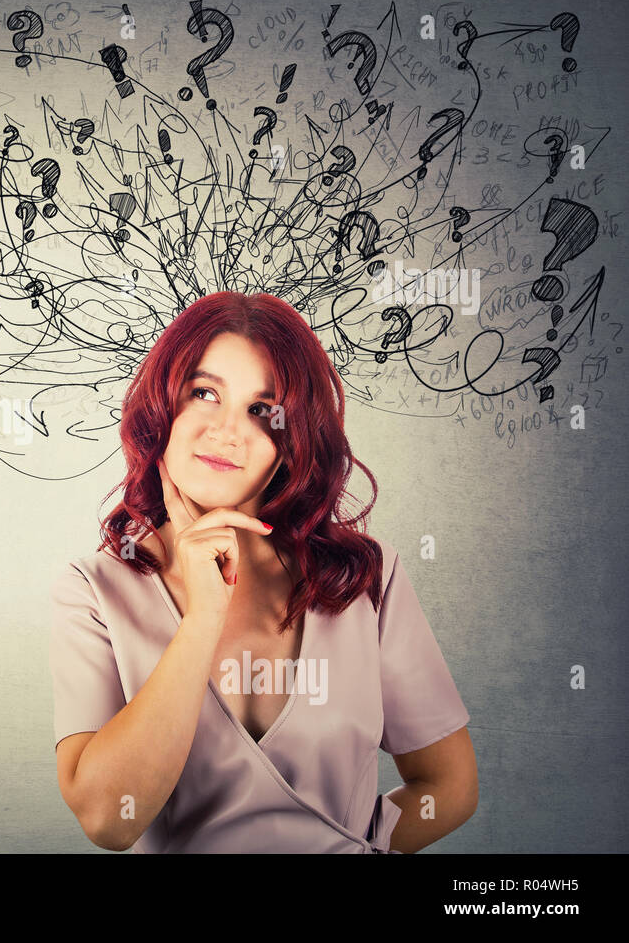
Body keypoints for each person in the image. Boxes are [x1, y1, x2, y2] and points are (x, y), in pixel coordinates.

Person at [49, 291, 478, 852]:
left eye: (261, 410)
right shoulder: (93, 591)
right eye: (204, 393)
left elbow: (449, 784)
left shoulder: (364, 580)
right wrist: (203, 618)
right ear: (162, 404)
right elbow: (109, 820)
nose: (227, 431)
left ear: (290, 440)